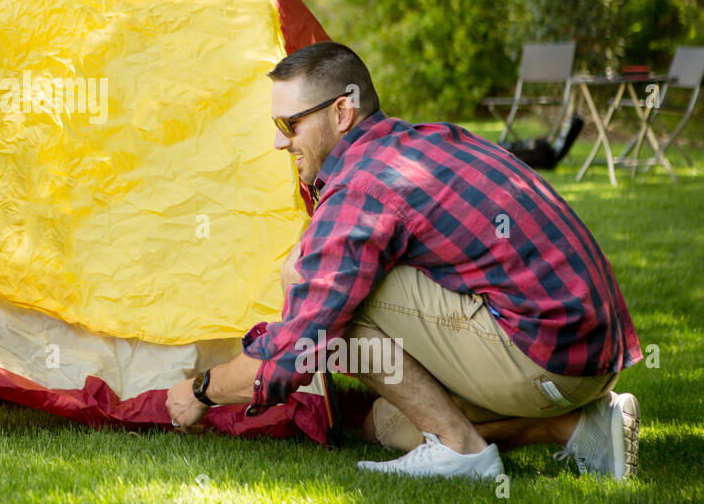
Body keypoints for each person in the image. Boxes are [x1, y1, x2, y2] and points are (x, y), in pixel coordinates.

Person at [165, 41, 642, 479]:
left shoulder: (362, 185)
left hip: (548, 357)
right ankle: (577, 426)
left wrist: (202, 391)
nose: (280, 142)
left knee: (332, 299)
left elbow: (300, 347)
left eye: (290, 125)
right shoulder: (419, 142)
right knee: (389, 426)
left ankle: (460, 450)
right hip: (586, 354)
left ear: (341, 111)